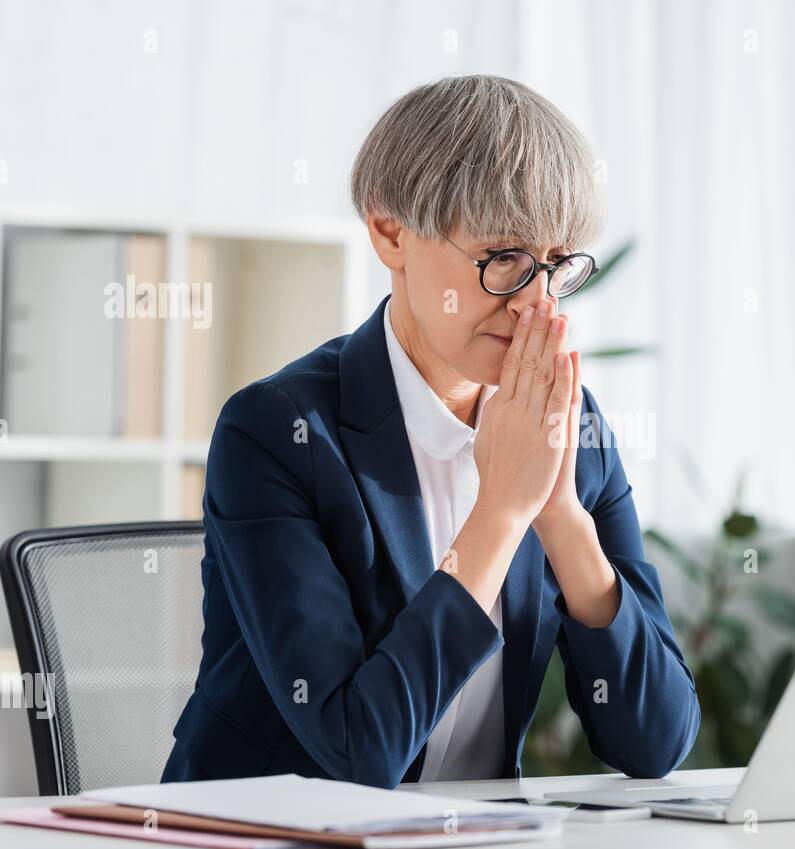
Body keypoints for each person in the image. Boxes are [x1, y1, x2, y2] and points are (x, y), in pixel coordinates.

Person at [162, 74, 700, 788]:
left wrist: (560, 513)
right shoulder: (277, 433)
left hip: (463, 841)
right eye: (504, 258)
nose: (535, 305)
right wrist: (501, 511)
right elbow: (359, 750)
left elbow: (655, 741)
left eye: (555, 265)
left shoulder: (568, 423)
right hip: (270, 842)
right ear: (391, 233)